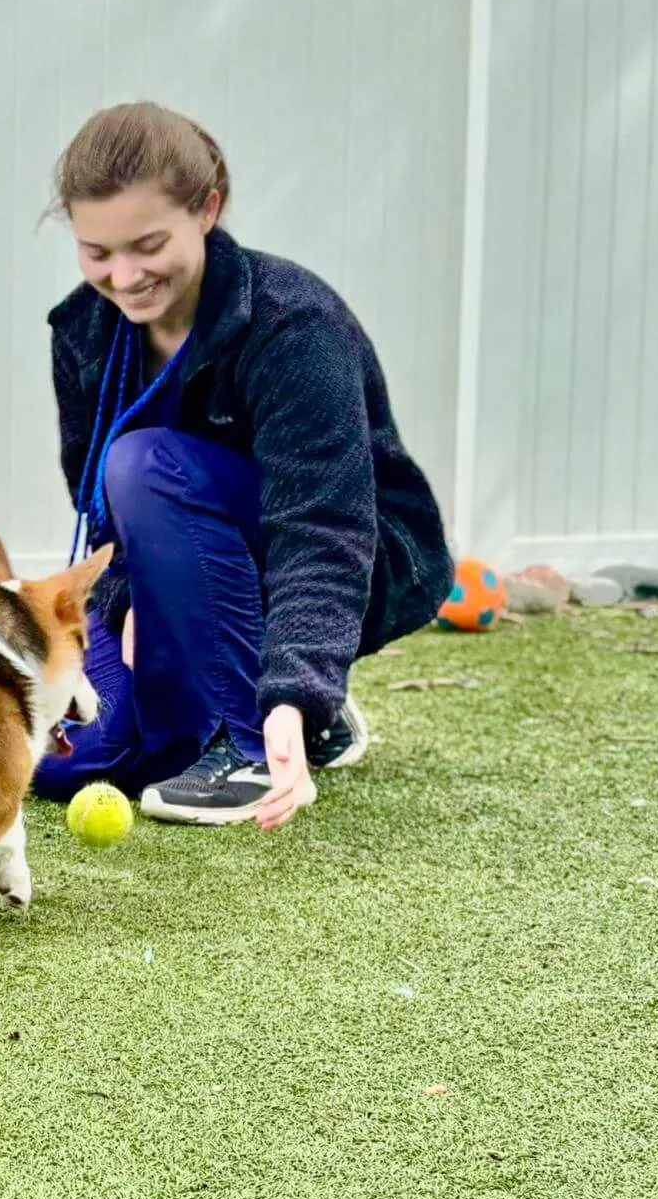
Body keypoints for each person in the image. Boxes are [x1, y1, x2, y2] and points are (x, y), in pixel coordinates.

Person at [36, 102, 454, 830]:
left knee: (142, 461)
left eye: (148, 243)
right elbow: (96, 503)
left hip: (355, 557)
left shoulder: (293, 325)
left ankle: (255, 733)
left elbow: (322, 528)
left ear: (208, 210)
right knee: (66, 761)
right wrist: (133, 602)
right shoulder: (81, 330)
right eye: (97, 252)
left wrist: (295, 688)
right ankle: (259, 695)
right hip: (183, 563)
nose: (125, 276)